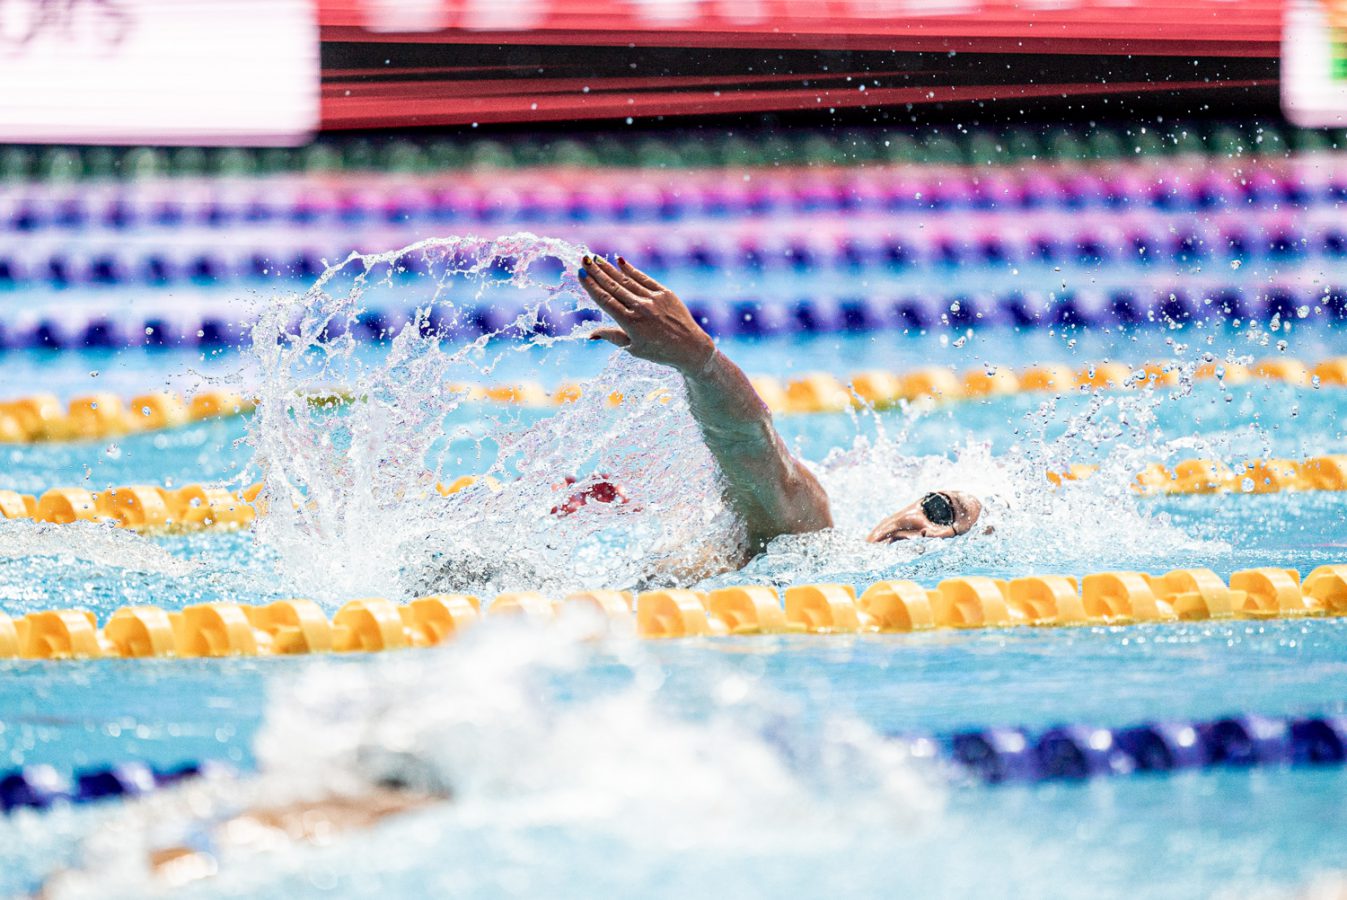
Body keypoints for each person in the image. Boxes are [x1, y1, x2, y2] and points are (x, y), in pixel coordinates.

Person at [577, 255, 983, 559]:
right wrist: (700, 362)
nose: (935, 535)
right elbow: (750, 443)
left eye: (956, 540)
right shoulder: (809, 537)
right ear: (914, 499)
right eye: (941, 510)